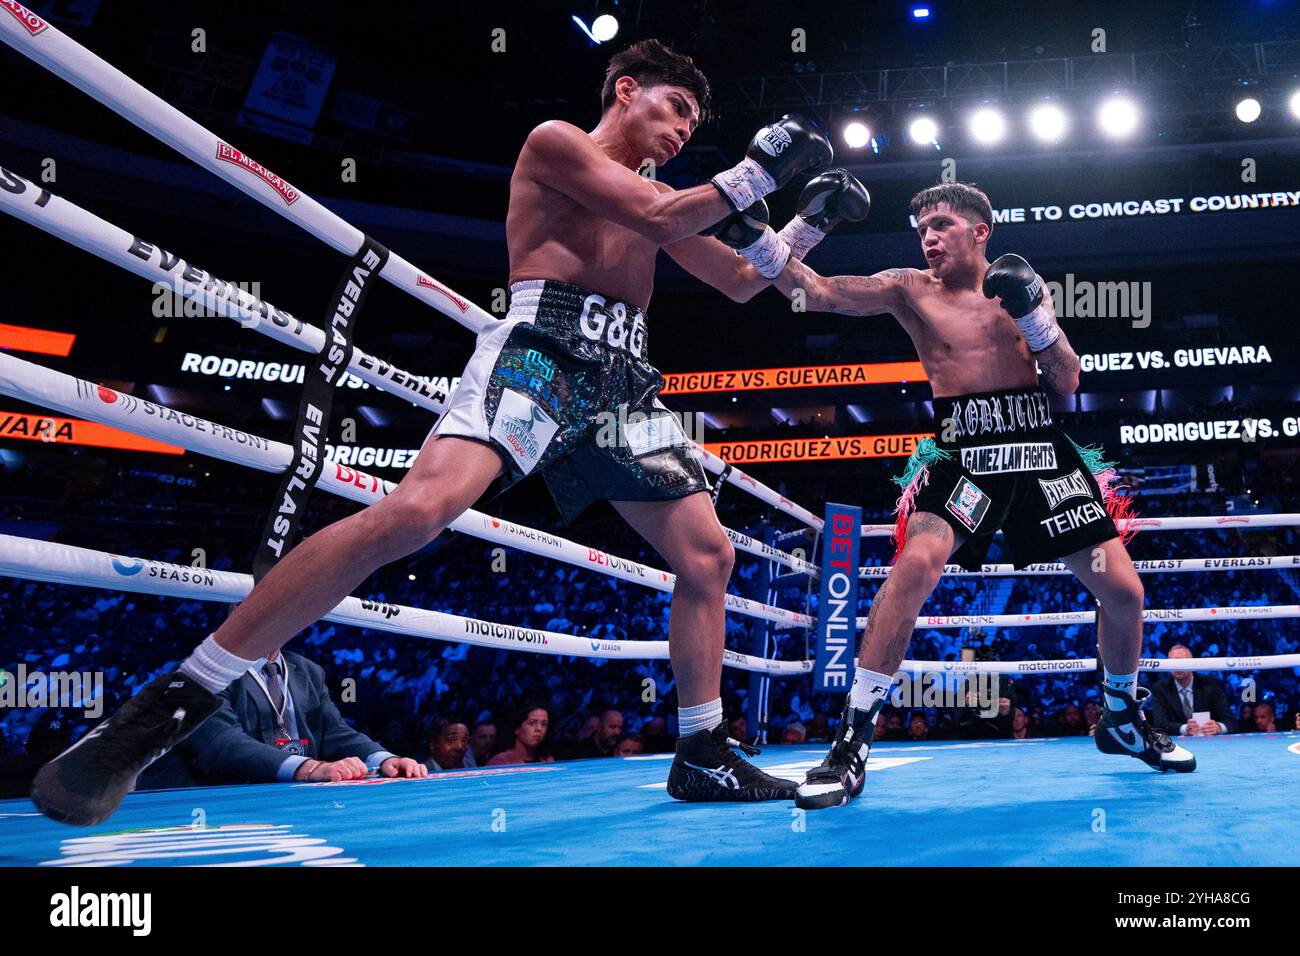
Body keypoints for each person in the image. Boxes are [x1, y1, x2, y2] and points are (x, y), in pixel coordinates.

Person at [33, 39, 835, 824]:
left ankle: (701, 752)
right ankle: (179, 698)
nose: (685, 127)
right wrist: (757, 172)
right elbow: (659, 214)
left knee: (708, 555)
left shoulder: (664, 196)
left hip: (621, 374)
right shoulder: (558, 143)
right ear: (627, 89)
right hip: (543, 353)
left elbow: (739, 282)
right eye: (677, 106)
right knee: (418, 511)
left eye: (694, 120)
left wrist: (807, 224)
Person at [765, 180, 1195, 810]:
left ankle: (1122, 718)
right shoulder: (908, 288)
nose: (928, 238)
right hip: (964, 454)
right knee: (915, 565)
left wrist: (1035, 317)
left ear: (979, 231)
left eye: (940, 225)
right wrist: (794, 228)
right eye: (921, 230)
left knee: (1124, 593)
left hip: (1040, 452)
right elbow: (814, 292)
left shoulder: (1023, 285)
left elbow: (1067, 378)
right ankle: (851, 741)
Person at [178, 649, 426, 785]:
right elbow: (221, 743)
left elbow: (335, 732)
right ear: (236, 609)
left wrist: (384, 759)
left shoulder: (308, 670)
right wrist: (308, 768)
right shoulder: (205, 668)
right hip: (231, 802)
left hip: (302, 798)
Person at [1149, 645, 1235, 737]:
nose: (1177, 667)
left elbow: (1231, 722)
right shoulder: (1161, 689)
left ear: (1192, 663)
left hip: (1210, 742)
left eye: (1182, 662)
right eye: (1173, 662)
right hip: (1176, 743)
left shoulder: (1211, 685)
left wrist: (1219, 727)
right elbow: (1160, 724)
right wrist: (1185, 729)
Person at [487, 702, 555, 765]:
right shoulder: (500, 762)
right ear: (517, 728)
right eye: (532, 723)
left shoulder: (548, 761)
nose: (539, 729)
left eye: (544, 724)